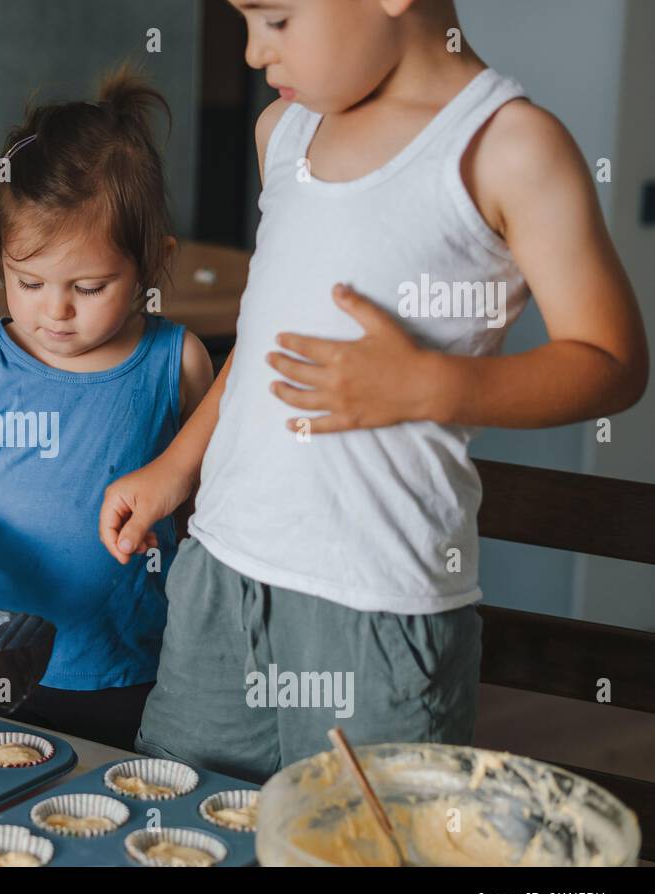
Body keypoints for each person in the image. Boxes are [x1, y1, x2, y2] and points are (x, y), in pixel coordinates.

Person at [100, 0, 647, 779]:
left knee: (362, 841)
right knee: (185, 821)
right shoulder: (282, 135)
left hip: (377, 605)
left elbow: (613, 360)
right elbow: (266, 346)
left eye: (276, 20)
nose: (256, 53)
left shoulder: (508, 146)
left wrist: (431, 385)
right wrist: (176, 467)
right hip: (223, 579)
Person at [0, 68, 215, 751]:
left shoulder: (180, 364)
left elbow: (206, 513)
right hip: (4, 669)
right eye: (28, 280)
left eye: (90, 285)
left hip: (141, 668)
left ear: (151, 264)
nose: (56, 309)